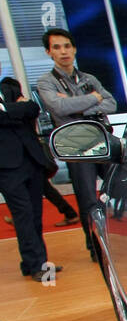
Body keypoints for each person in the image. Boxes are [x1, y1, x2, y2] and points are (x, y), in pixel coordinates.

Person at [35, 28, 117, 259]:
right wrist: (93, 99)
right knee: (88, 200)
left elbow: (111, 104)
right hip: (76, 146)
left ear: (74, 49)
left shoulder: (89, 78)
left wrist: (75, 103)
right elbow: (58, 108)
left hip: (103, 140)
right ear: (48, 52)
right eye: (57, 47)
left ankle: (118, 241)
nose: (63, 52)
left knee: (117, 191)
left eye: (67, 46)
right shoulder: (46, 82)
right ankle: (95, 248)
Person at [0, 79, 62, 280]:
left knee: (35, 214)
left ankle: (32, 262)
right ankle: (37, 265)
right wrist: (16, 110)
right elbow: (22, 111)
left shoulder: (9, 87)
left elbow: (33, 108)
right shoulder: (12, 97)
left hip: (32, 160)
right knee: (23, 214)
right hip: (6, 167)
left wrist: (6, 111)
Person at [1, 77, 77, 229]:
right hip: (30, 157)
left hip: (30, 158)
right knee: (42, 189)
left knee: (43, 189)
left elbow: (29, 113)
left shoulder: (24, 107)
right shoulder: (22, 107)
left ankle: (69, 213)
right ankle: (67, 212)